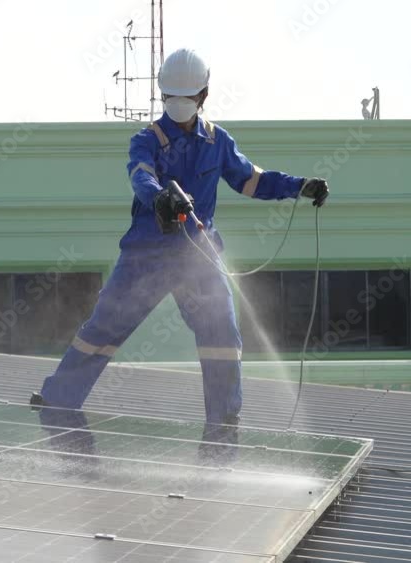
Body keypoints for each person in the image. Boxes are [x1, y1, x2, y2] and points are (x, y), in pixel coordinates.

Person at [30, 48, 329, 426]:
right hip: (147, 253)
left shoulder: (217, 142)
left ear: (204, 95)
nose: (179, 103)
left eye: (184, 96)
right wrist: (160, 197)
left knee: (221, 333)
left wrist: (298, 186)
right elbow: (141, 174)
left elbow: (251, 181)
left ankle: (224, 417)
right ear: (165, 94)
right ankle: (58, 398)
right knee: (105, 326)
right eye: (173, 96)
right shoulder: (147, 140)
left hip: (198, 257)